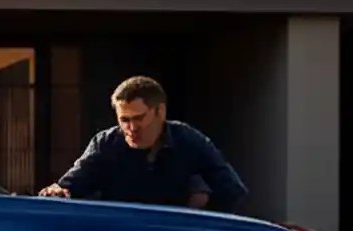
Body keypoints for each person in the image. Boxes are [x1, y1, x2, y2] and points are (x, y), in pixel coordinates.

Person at [38, 76, 248, 213]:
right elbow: (71, 185)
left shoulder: (189, 141)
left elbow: (231, 190)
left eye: (138, 118)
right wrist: (57, 191)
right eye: (124, 120)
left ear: (160, 112)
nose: (131, 128)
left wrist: (198, 219)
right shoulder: (106, 144)